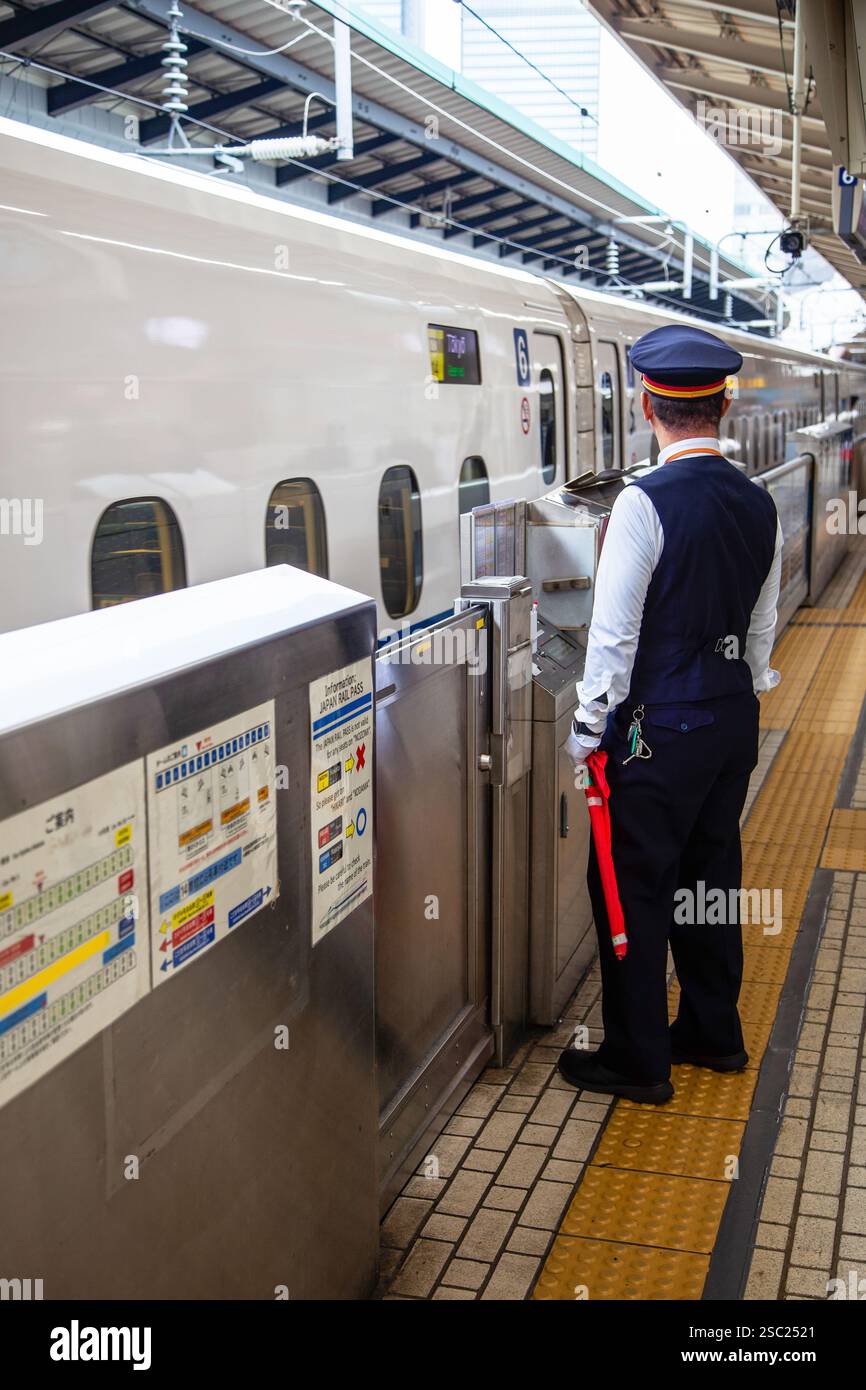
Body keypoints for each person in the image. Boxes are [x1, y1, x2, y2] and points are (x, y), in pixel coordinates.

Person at [559, 323, 783, 1105]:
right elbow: (761, 629)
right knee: (709, 877)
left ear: (647, 407)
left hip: (656, 737)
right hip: (730, 721)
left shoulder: (641, 505)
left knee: (633, 887)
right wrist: (739, 695)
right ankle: (714, 1034)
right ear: (722, 405)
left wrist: (588, 729)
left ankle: (637, 1058)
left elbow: (613, 638)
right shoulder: (759, 502)